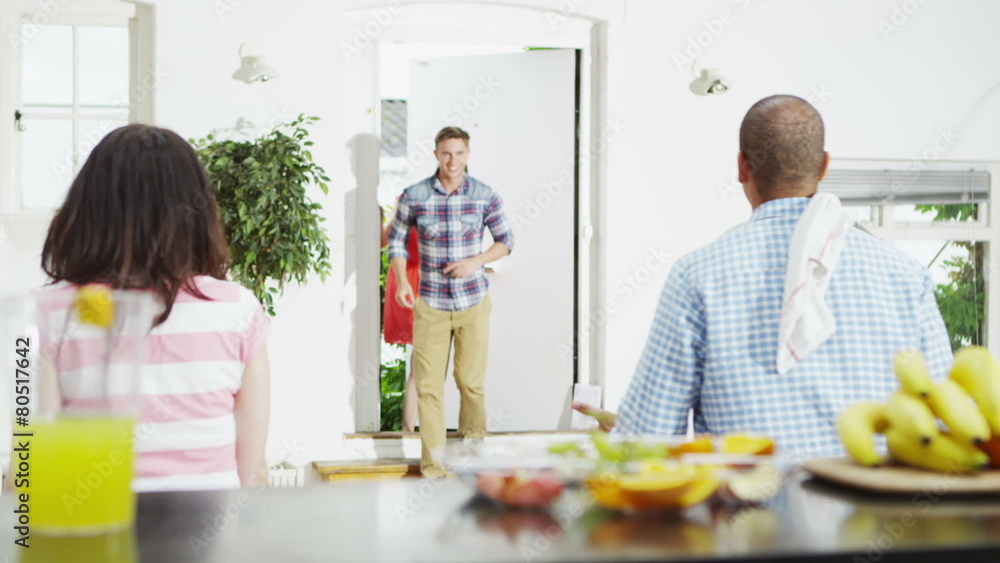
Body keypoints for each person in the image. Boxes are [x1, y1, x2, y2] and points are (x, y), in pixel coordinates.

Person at [593, 95, 953, 458]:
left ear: (742, 167)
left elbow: (649, 441)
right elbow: (944, 423)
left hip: (748, 510)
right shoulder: (907, 275)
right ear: (824, 166)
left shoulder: (696, 276)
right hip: (876, 512)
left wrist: (625, 433)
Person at [36, 124, 271, 491]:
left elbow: (31, 466)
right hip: (209, 542)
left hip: (94, 536)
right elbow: (253, 473)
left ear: (86, 207)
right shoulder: (236, 310)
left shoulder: (49, 313)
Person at [386, 126, 514, 477]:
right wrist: (400, 283)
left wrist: (477, 261)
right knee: (429, 387)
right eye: (446, 153)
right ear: (436, 154)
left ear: (468, 154)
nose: (452, 160)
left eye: (458, 153)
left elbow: (506, 240)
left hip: (473, 302)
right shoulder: (415, 195)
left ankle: (473, 454)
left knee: (470, 382)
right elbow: (396, 242)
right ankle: (433, 465)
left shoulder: (485, 195)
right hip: (430, 304)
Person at [381, 205, 419, 432]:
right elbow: (383, 241)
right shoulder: (404, 203)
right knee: (421, 363)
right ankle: (408, 429)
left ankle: (409, 428)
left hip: (422, 280)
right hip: (411, 282)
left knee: (422, 363)